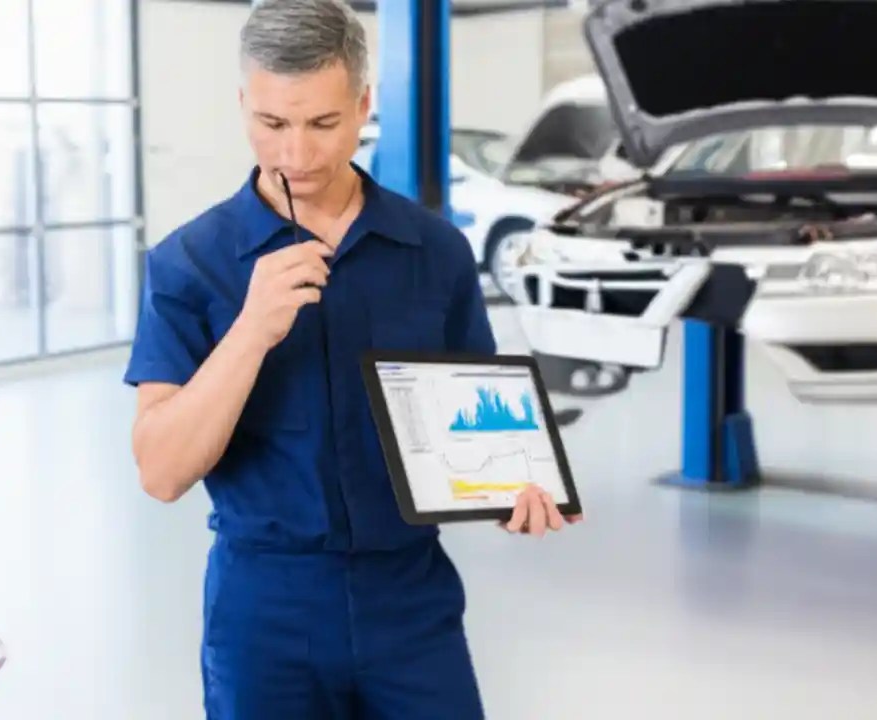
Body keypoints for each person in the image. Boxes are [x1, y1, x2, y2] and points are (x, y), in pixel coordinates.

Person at [125, 0, 580, 717]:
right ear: (243, 101)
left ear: (365, 103)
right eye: (271, 124)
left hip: (410, 601)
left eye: (323, 124)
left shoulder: (435, 252)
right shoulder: (189, 263)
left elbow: (478, 434)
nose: (296, 155)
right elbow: (160, 471)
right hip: (264, 607)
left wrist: (512, 494)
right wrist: (250, 331)